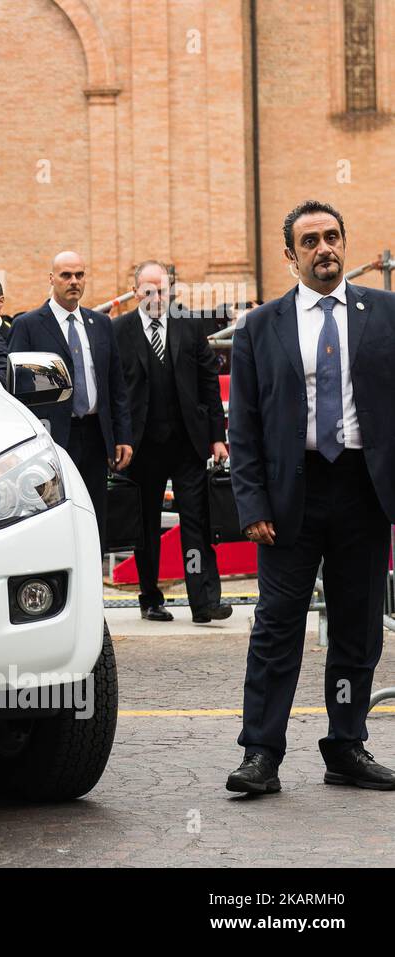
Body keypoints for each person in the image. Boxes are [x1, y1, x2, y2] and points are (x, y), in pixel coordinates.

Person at [226, 200, 395, 795]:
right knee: (276, 627)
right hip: (288, 497)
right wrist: (252, 507)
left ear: (345, 244)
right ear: (291, 255)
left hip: (364, 492)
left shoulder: (386, 314)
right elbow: (242, 425)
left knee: (356, 629)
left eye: (332, 237)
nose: (324, 248)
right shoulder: (260, 326)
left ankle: (346, 747)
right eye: (311, 241)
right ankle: (261, 754)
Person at [114, 262, 232, 624]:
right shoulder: (118, 330)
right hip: (141, 446)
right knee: (147, 526)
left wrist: (217, 437)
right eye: (148, 291)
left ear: (171, 292)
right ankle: (150, 598)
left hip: (187, 443)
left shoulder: (189, 324)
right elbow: (113, 390)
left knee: (196, 521)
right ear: (136, 292)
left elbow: (209, 381)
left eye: (162, 290)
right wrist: (118, 441)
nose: (156, 297)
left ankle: (204, 601)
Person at [8, 251, 133, 545]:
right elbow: (16, 390)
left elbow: (115, 384)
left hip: (95, 435)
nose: (73, 281)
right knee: (53, 511)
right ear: (52, 279)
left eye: (79, 275)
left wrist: (122, 435)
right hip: (51, 438)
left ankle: (92, 581)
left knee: (94, 514)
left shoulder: (100, 324)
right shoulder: (28, 325)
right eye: (66, 275)